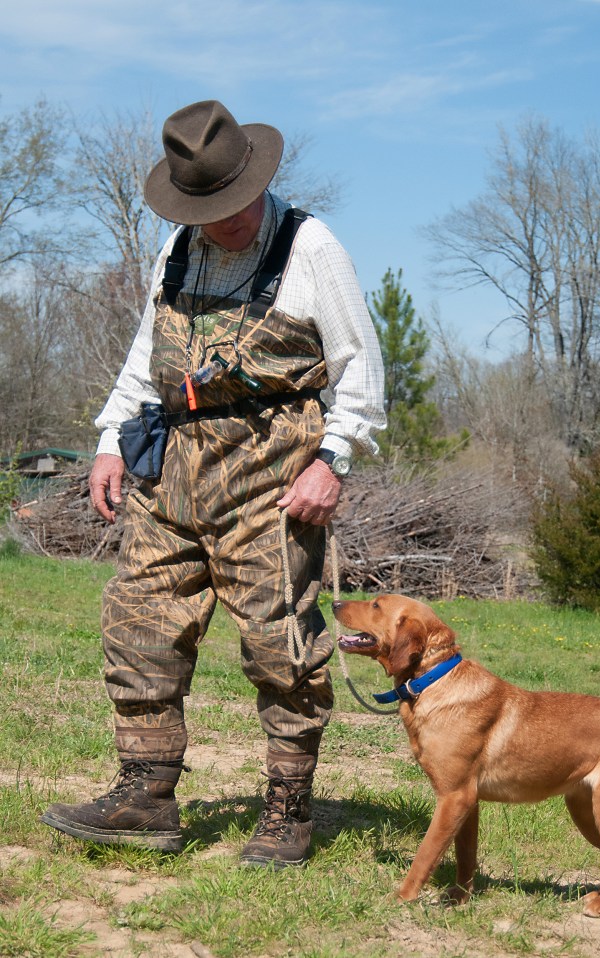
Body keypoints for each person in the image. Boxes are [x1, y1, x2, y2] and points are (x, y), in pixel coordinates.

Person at [41, 100, 385, 867]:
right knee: (138, 624)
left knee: (280, 644)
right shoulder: (178, 246)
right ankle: (145, 798)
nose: (221, 222)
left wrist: (332, 460)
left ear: (256, 181)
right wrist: (109, 440)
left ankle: (288, 812)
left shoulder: (310, 247)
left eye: (232, 205)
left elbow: (361, 367)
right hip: (170, 473)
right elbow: (147, 356)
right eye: (205, 210)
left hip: (271, 482)